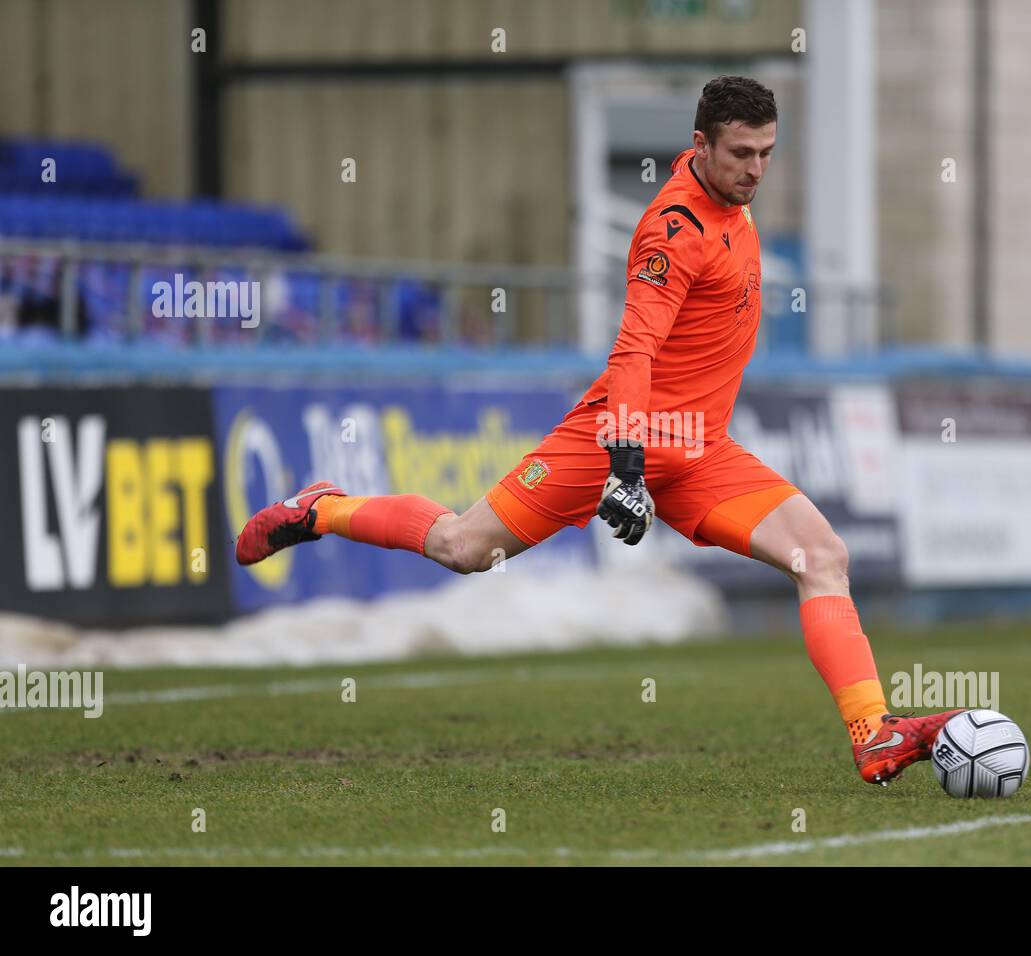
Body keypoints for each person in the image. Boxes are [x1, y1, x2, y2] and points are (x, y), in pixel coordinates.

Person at [236, 75, 961, 785]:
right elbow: (633, 353)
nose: (756, 170)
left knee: (822, 556)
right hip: (620, 437)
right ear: (700, 145)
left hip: (702, 450)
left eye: (767, 153)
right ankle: (322, 508)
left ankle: (873, 734)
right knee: (464, 546)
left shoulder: (733, 206)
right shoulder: (671, 231)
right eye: (742, 154)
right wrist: (626, 467)